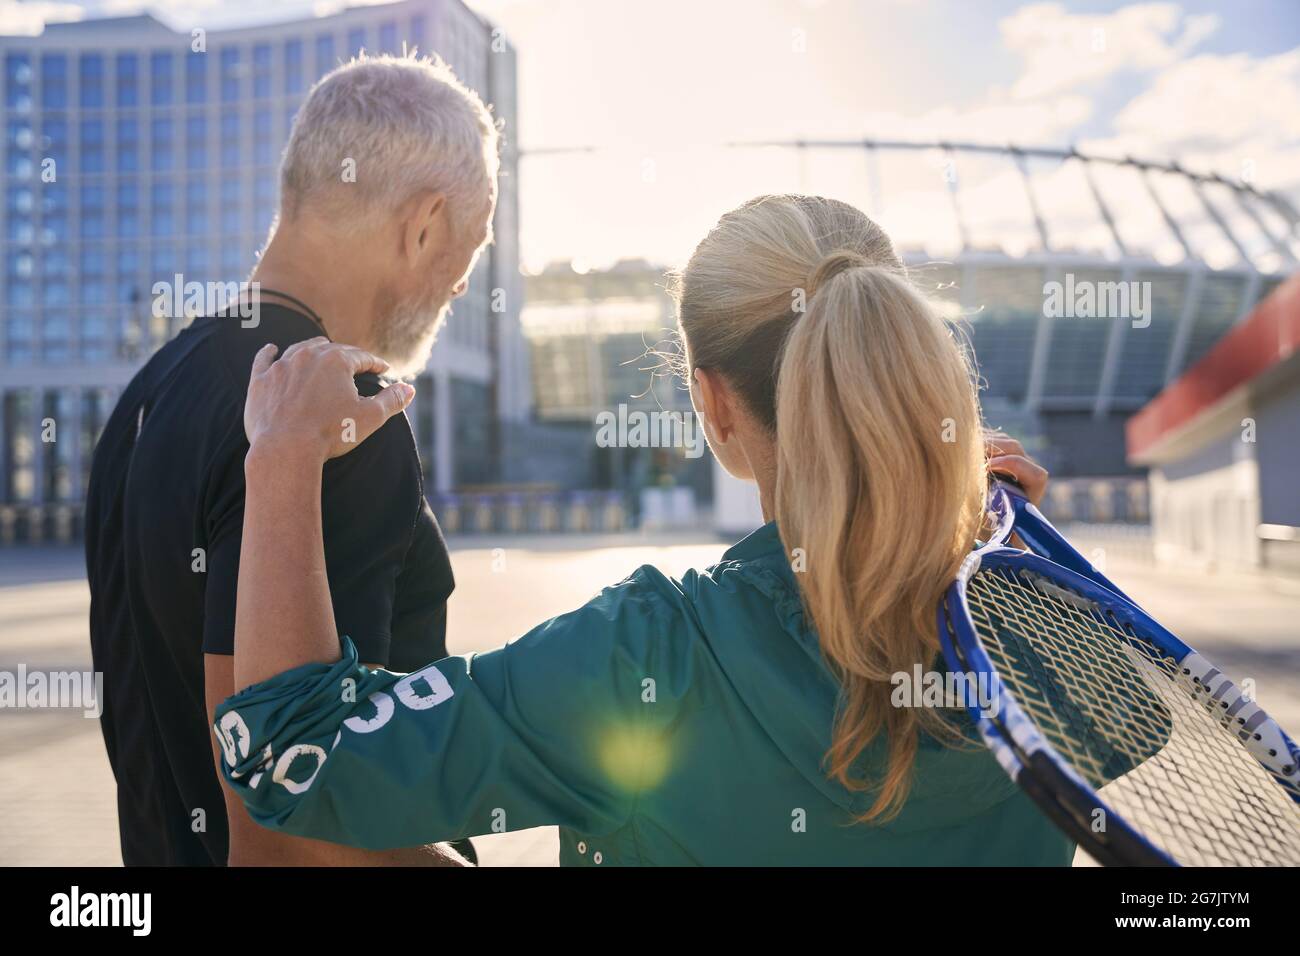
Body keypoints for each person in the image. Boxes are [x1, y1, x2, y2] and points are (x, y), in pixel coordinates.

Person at [214, 194, 1070, 865]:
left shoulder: (647, 659)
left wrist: (282, 457)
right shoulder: (1044, 639)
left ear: (712, 403)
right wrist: (1015, 557)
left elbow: (292, 758)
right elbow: (1143, 726)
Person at [84, 53, 496, 866]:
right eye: (469, 254)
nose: (457, 292)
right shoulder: (338, 415)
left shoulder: (147, 393)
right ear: (423, 225)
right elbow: (300, 840)